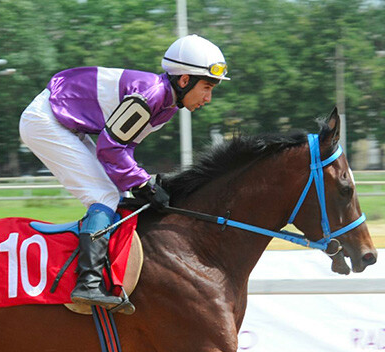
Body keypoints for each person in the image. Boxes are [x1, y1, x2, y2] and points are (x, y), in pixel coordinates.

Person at [18, 34, 229, 311]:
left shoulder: (166, 106)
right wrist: (143, 183)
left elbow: (122, 149)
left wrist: (143, 183)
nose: (208, 97)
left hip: (66, 122)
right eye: (206, 87)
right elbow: (110, 148)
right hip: (47, 120)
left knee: (115, 193)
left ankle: (102, 271)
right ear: (184, 80)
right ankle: (87, 283)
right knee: (104, 196)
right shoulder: (151, 95)